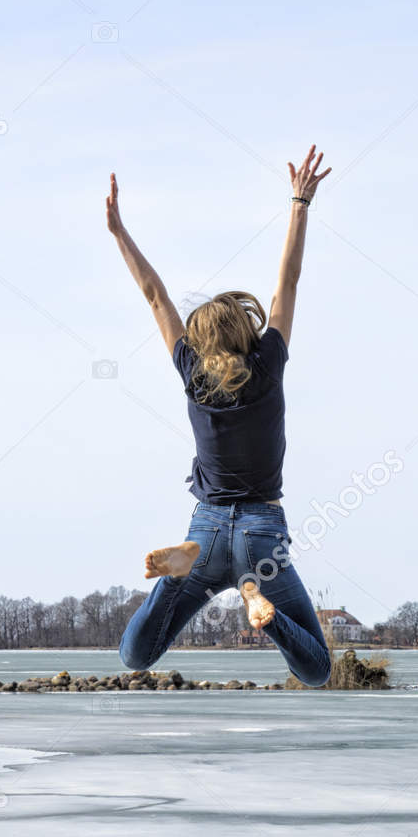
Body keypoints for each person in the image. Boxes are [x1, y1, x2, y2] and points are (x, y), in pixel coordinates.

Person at [106, 146, 333, 687]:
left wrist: (118, 232)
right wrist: (300, 203)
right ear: (244, 330)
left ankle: (180, 570)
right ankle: (261, 606)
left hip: (203, 530)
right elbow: (290, 281)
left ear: (201, 342)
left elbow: (154, 296)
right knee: (318, 671)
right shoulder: (269, 364)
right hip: (261, 532)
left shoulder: (193, 374)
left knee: (134, 657)